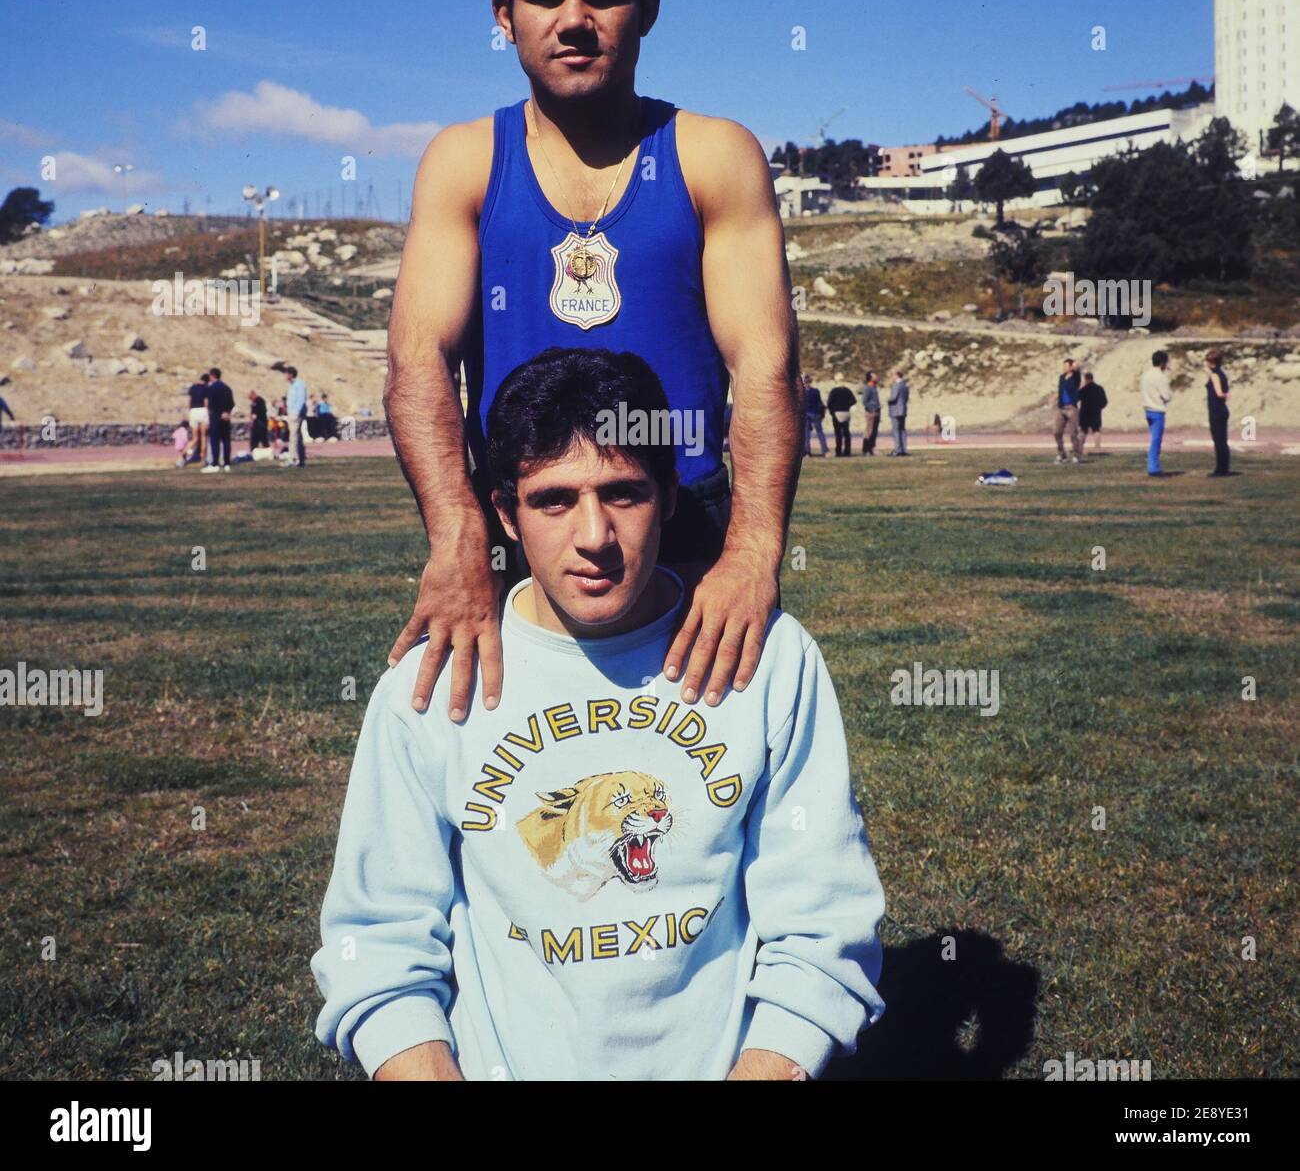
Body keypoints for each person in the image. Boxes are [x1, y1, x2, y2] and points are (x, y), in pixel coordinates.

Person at [312, 347, 886, 1082]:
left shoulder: (766, 661)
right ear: (506, 516)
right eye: (554, 500)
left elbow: (822, 923)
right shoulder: (433, 681)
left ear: (672, 496)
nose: (593, 538)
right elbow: (378, 941)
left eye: (624, 493)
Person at [383, 0, 803, 723]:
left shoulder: (712, 154)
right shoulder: (465, 161)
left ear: (646, 7)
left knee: (704, 769)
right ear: (505, 13)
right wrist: (460, 537)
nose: (574, 20)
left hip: (682, 520)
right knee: (508, 768)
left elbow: (767, 364)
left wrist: (754, 551)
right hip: (522, 528)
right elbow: (416, 360)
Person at [1141, 349, 1173, 478]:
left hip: (1148, 408)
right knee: (1156, 440)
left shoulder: (1146, 375)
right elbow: (1167, 395)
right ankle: (1153, 467)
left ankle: (1153, 465)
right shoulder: (1161, 377)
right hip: (1157, 410)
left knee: (1153, 439)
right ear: (1162, 363)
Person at [1204, 349, 1232, 477]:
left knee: (1219, 441)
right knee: (1222, 440)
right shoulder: (1222, 374)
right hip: (1221, 410)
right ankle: (1223, 467)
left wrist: (1224, 395)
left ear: (1211, 362)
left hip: (1216, 410)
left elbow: (1219, 393)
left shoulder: (1215, 376)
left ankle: (1221, 469)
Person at [203, 367, 234, 473]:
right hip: (226, 417)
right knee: (226, 440)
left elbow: (211, 404)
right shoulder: (227, 388)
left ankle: (215, 463)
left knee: (215, 440)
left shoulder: (211, 388)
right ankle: (227, 463)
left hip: (215, 417)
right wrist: (226, 411)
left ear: (212, 376)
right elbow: (231, 402)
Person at [1053, 356, 1083, 464]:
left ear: (1071, 367)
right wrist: (1055, 397)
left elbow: (1078, 368)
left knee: (1073, 433)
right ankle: (1062, 455)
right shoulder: (1061, 377)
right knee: (1057, 432)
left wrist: (1075, 365)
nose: (1063, 368)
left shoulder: (1075, 377)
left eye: (1066, 366)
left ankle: (1076, 455)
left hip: (1071, 408)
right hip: (1061, 408)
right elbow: (1061, 390)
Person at [1077, 371, 1108, 453]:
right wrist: (1099, 408)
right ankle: (1097, 448)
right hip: (1095, 412)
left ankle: (1079, 448)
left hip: (1085, 412)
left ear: (1086, 379)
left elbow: (1076, 399)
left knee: (1083, 430)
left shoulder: (1083, 389)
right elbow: (1104, 401)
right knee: (1096, 430)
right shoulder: (1099, 388)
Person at [283, 366, 308, 467]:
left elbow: (301, 399)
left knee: (293, 437)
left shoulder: (299, 385)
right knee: (298, 436)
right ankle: (301, 458)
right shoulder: (291, 385)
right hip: (291, 412)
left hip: (295, 413)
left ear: (291, 374)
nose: (285, 376)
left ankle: (293, 459)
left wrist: (296, 411)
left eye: (286, 374)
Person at [827, 374, 856, 457]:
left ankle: (838, 451)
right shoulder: (847, 390)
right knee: (846, 432)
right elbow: (854, 400)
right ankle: (847, 451)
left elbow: (829, 403)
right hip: (846, 413)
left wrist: (832, 411)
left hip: (837, 413)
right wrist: (847, 405)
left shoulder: (834, 391)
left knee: (838, 433)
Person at [186, 371, 210, 464]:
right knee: (204, 436)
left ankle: (183, 454)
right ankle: (203, 459)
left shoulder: (193, 387)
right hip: (203, 411)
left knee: (195, 438)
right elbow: (206, 402)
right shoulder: (206, 388)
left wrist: (190, 412)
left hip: (193, 411)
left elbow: (190, 401)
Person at [803, 374, 828, 456]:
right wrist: (822, 413)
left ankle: (807, 452)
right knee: (820, 433)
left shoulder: (802, 392)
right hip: (816, 413)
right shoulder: (816, 391)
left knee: (807, 434)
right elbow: (820, 403)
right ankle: (825, 450)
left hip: (806, 414)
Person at [886, 370, 909, 456]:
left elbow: (893, 398)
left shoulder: (896, 385)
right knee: (902, 430)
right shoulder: (905, 385)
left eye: (892, 376)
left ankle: (897, 449)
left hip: (895, 410)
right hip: (903, 409)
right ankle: (903, 449)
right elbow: (906, 398)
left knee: (896, 431)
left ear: (896, 375)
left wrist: (887, 400)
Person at [860, 372, 881, 455]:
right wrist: (871, 409)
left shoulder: (874, 387)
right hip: (871, 412)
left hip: (877, 411)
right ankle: (866, 449)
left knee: (874, 431)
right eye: (874, 376)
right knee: (869, 431)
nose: (876, 377)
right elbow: (864, 401)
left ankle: (872, 448)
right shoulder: (868, 388)